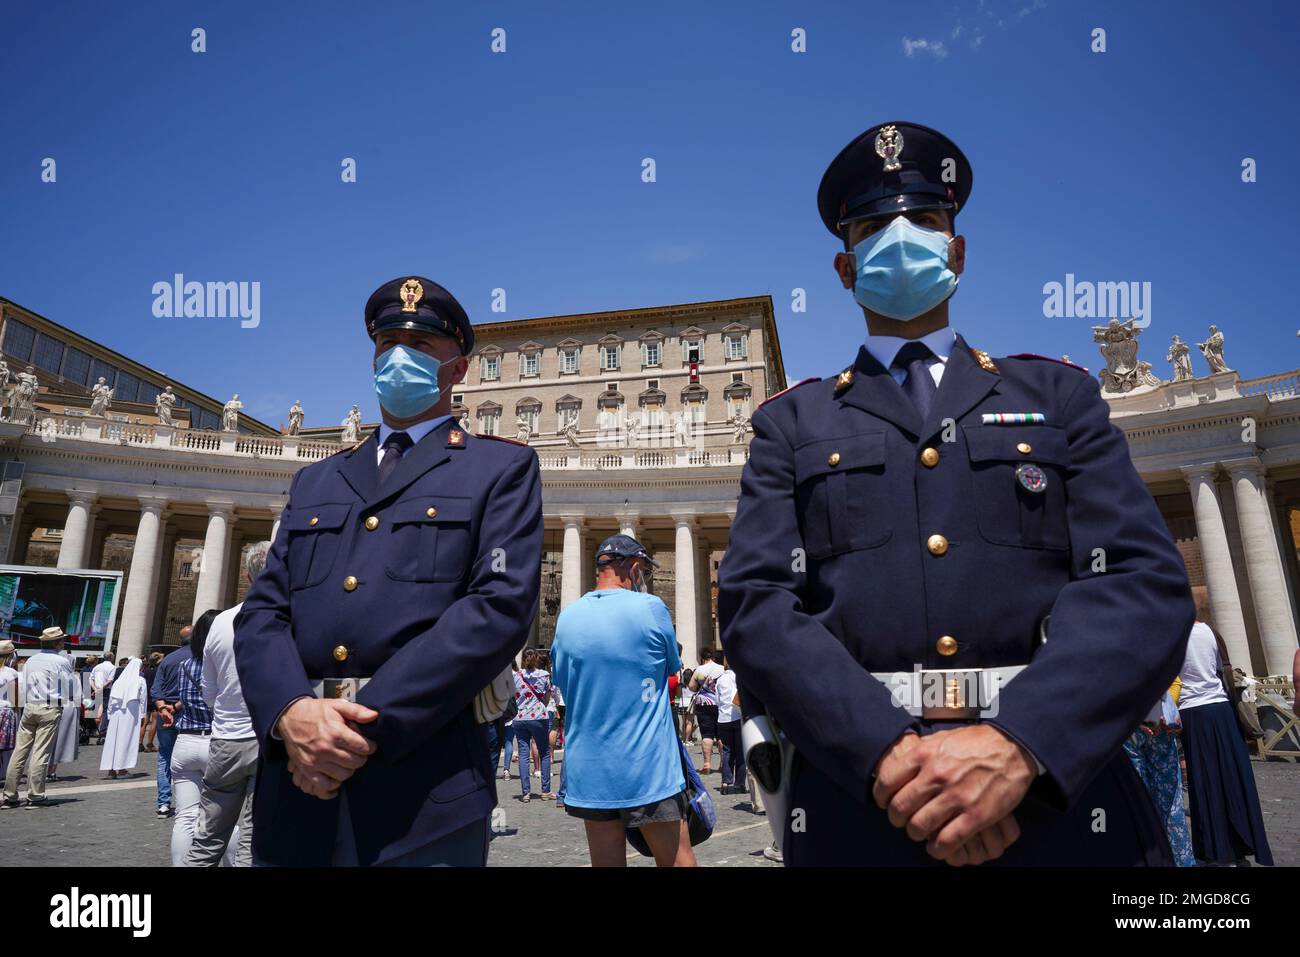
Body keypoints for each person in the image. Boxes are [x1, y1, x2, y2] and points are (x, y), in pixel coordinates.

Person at [717, 121, 1195, 866]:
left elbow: (1143, 581)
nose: (900, 239)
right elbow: (755, 605)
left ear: (957, 252)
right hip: (864, 810)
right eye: (875, 226)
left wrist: (1020, 744)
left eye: (925, 221)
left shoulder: (1059, 396)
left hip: (1059, 809)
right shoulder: (790, 423)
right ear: (845, 268)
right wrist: (885, 755)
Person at [234, 276, 543, 867]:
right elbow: (263, 613)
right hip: (296, 786)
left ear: (458, 369)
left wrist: (360, 726)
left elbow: (497, 609)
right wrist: (290, 713)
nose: (400, 356)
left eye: (421, 345)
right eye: (388, 342)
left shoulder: (498, 469)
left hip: (423, 791)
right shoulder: (316, 479)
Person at [551, 534, 696, 867]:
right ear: (634, 567)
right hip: (646, 767)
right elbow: (672, 667)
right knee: (678, 860)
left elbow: (561, 679)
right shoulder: (650, 607)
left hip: (589, 769)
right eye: (644, 568)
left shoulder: (568, 617)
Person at [186, 546, 270, 867]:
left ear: (247, 576)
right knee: (251, 840)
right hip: (265, 741)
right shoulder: (290, 620)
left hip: (225, 741)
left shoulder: (220, 622)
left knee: (207, 838)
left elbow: (210, 690)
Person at [1177, 619, 1273, 866]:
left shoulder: (1171, 635)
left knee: (1204, 782)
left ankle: (1215, 849)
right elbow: (1221, 669)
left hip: (1192, 711)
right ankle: (1243, 845)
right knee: (1233, 779)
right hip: (1222, 709)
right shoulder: (1210, 631)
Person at [170, 609, 225, 866]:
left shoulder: (184, 665)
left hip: (185, 743)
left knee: (185, 816)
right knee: (228, 817)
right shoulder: (222, 663)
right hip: (217, 742)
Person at [1123, 683, 1195, 867]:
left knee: (1135, 805)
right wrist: (1163, 714)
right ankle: (1180, 862)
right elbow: (1174, 680)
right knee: (1171, 808)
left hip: (1127, 727)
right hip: (1159, 722)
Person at [2, 628, 74, 808]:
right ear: (57, 643)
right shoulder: (61, 661)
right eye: (62, 640)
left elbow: (23, 685)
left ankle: (9, 795)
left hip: (30, 706)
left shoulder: (31, 661)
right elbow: (68, 687)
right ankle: (35, 796)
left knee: (20, 752)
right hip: (49, 707)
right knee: (40, 752)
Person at [151, 624, 193, 816]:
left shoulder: (167, 660)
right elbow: (196, 690)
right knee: (191, 761)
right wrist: (175, 707)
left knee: (164, 758)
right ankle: (189, 803)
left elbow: (156, 689)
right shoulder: (199, 658)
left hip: (164, 715)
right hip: (186, 714)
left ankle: (163, 803)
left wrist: (163, 708)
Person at [512, 649, 554, 802]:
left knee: (523, 754)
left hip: (519, 717)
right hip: (538, 716)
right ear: (536, 659)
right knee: (544, 752)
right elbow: (548, 697)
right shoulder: (543, 675)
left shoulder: (515, 676)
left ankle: (525, 792)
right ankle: (545, 790)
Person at [100, 655, 146, 779]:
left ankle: (111, 770)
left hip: (116, 714)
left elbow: (111, 700)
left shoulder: (118, 681)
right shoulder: (140, 680)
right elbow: (143, 700)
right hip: (131, 713)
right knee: (126, 739)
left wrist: (109, 714)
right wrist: (143, 715)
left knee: (112, 740)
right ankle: (121, 770)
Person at [45, 647, 80, 780]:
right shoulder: (74, 676)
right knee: (60, 740)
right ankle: (52, 771)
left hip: (53, 704)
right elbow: (80, 697)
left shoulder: (54, 674)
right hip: (69, 706)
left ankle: (43, 768)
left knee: (49, 738)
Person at [689, 649, 724, 774]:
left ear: (702, 657)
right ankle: (723, 764)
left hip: (703, 704)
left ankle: (707, 764)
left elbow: (691, 687)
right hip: (719, 703)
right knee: (721, 735)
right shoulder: (721, 669)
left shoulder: (699, 670)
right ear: (713, 657)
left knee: (707, 734)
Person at [715, 656, 745, 795]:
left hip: (723, 717)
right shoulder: (738, 676)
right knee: (740, 751)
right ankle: (739, 783)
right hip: (737, 716)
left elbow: (717, 700)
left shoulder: (720, 679)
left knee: (727, 751)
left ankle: (726, 782)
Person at [0, 642, 17, 780]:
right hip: (5, 711)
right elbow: (15, 696)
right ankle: (3, 774)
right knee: (6, 748)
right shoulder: (10, 672)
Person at [90, 653, 116, 742]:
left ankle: (93, 730)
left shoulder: (97, 667)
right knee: (105, 710)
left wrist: (95, 689)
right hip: (106, 690)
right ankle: (102, 731)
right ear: (111, 658)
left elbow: (91, 679)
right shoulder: (112, 667)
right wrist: (101, 689)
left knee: (97, 709)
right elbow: (110, 680)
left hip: (97, 689)